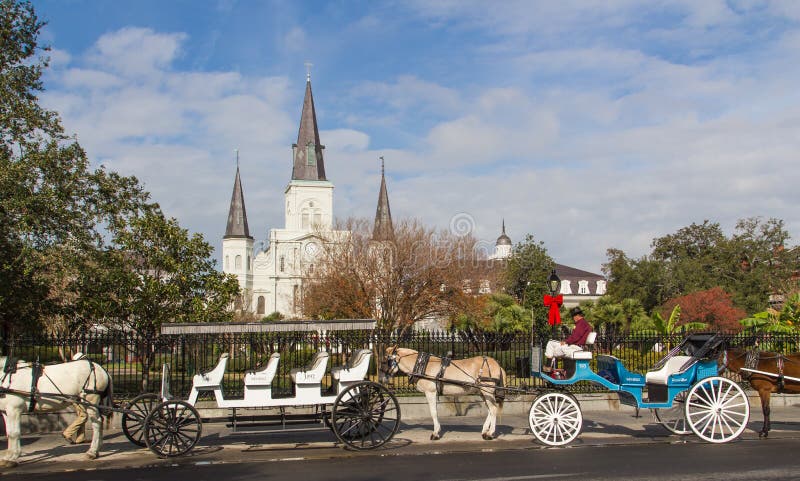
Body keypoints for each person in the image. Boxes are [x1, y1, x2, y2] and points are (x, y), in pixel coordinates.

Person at [62, 352, 88, 444]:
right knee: (83, 416)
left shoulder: (72, 370)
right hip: (76, 397)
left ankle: (81, 438)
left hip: (74, 396)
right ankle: (67, 433)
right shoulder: (78, 372)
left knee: (81, 415)